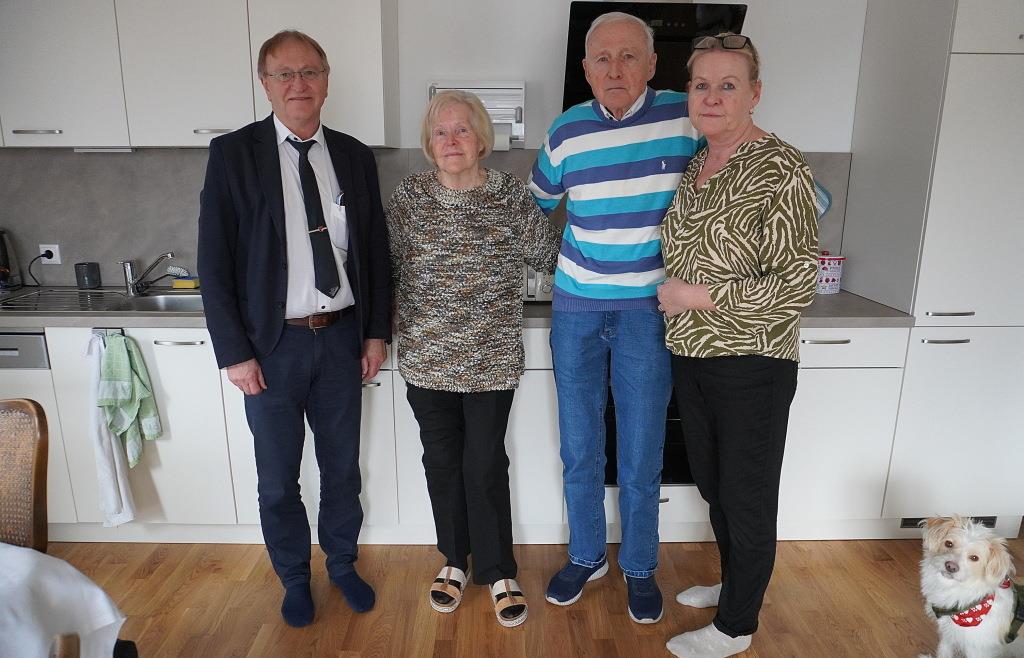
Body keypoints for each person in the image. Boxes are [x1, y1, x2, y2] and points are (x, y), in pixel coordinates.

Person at [197, 29, 390, 627]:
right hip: (270, 347)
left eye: (310, 72)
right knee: (278, 478)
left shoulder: (354, 156)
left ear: (327, 79)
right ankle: (293, 578)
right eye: (284, 73)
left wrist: (375, 332)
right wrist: (234, 353)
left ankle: (342, 564)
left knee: (342, 469)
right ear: (265, 83)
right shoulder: (233, 154)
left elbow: (374, 252)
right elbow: (213, 261)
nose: (298, 84)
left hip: (340, 338)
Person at [527, 11, 702, 624]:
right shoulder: (566, 130)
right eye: (602, 58)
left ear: (652, 65)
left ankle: (640, 565)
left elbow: (738, 171)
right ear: (586, 69)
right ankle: (585, 555)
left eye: (629, 56)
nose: (615, 68)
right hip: (576, 305)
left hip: (648, 309)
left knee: (641, 449)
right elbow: (534, 207)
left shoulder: (688, 117)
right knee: (579, 444)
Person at [656, 34, 819, 658]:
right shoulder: (699, 163)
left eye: (728, 85)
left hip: (753, 362)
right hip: (694, 358)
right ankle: (734, 586)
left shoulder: (780, 167)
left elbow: (797, 283)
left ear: (754, 94)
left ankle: (735, 627)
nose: (713, 96)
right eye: (702, 85)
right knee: (717, 488)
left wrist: (695, 295)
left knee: (746, 497)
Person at [386, 90, 561, 628]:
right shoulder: (409, 198)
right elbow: (384, 268)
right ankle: (453, 560)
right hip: (426, 359)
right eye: (441, 132)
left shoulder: (509, 196)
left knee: (483, 463)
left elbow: (552, 256)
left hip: (490, 360)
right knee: (441, 463)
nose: (451, 140)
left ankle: (498, 568)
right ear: (429, 142)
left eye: (462, 130)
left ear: (481, 138)